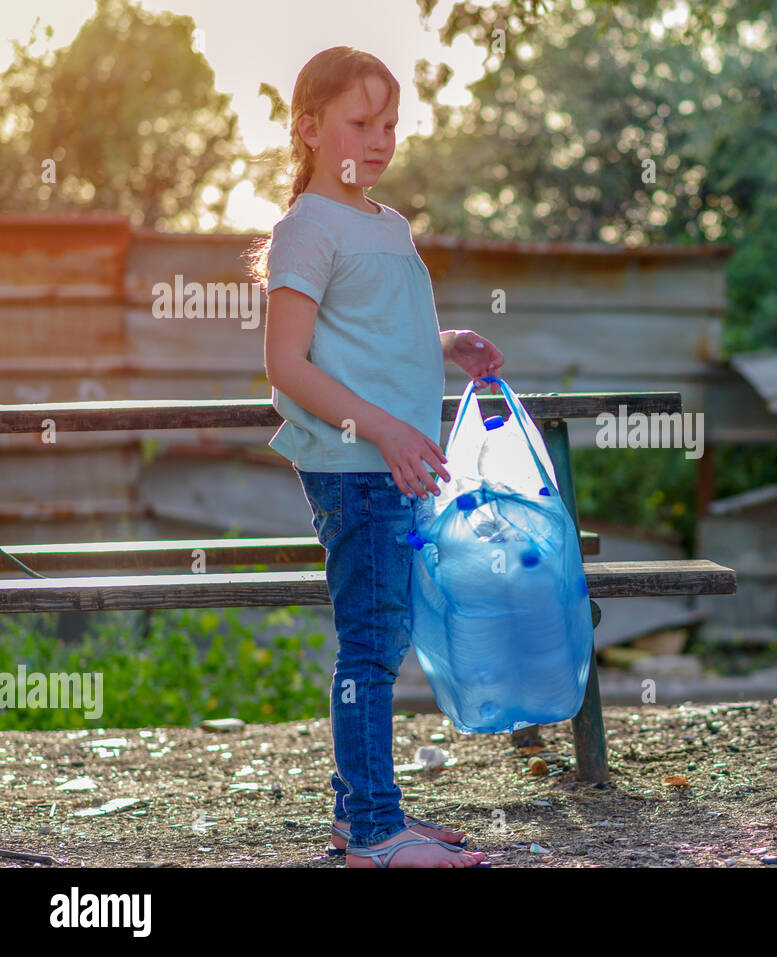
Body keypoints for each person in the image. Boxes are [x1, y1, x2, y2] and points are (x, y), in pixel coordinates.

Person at [247, 46, 504, 868]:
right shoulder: (307, 226)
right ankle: (373, 833)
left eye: (391, 122)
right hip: (358, 466)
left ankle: (363, 813)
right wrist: (387, 431)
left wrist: (446, 343)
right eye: (362, 121)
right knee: (368, 643)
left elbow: (368, 343)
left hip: (391, 463)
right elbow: (287, 364)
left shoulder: (385, 224)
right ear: (311, 129)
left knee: (382, 639)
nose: (382, 137)